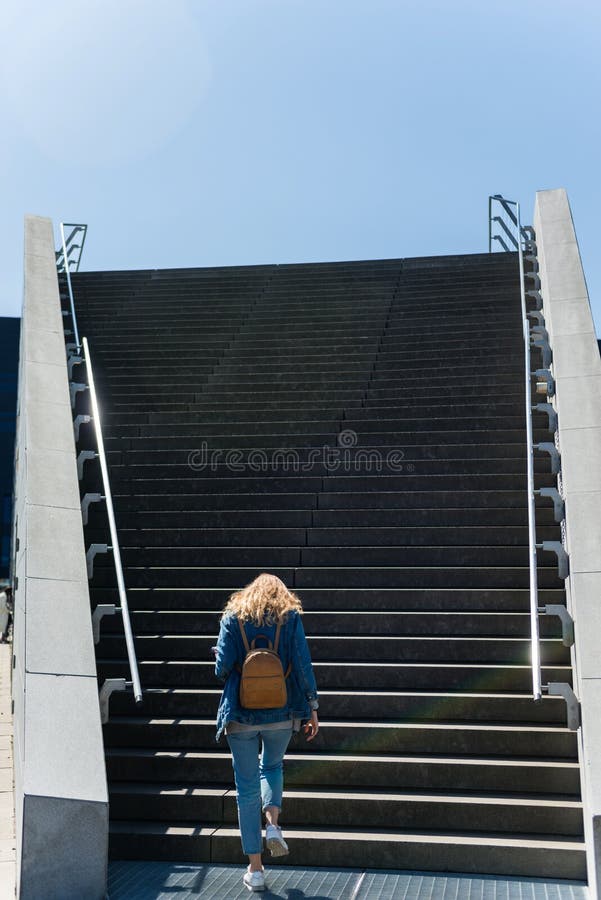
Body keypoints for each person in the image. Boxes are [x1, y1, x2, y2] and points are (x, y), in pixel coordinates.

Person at [214, 572, 320, 893]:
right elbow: (303, 664)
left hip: (241, 715)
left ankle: (256, 870)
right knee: (272, 767)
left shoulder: (234, 618)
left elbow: (221, 668)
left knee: (246, 790)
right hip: (281, 712)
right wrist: (312, 707)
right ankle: (273, 824)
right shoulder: (289, 619)